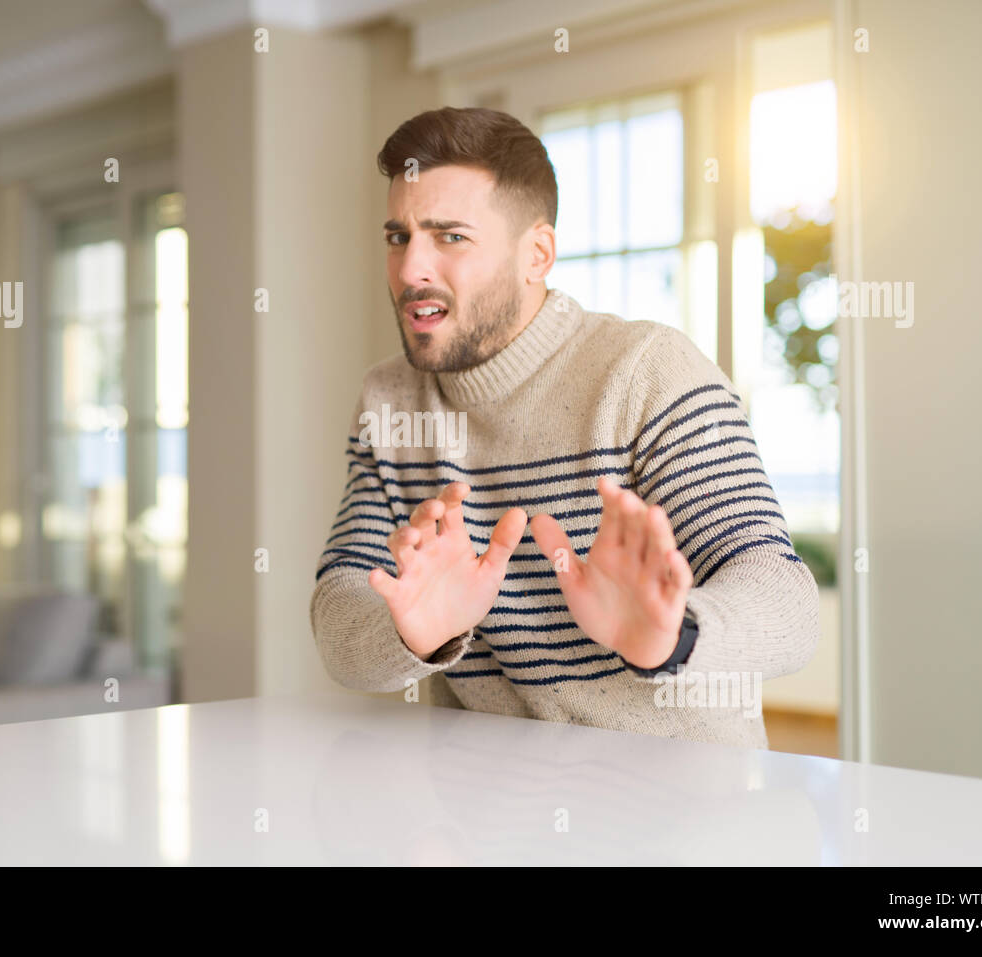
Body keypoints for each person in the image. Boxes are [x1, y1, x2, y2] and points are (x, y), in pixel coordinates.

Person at [310, 106, 819, 748]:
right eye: (398, 237)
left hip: (676, 815)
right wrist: (412, 633)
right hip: (489, 815)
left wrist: (672, 635)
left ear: (537, 255)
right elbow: (339, 622)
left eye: (450, 237)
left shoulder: (645, 372)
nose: (412, 269)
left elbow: (788, 604)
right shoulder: (389, 400)